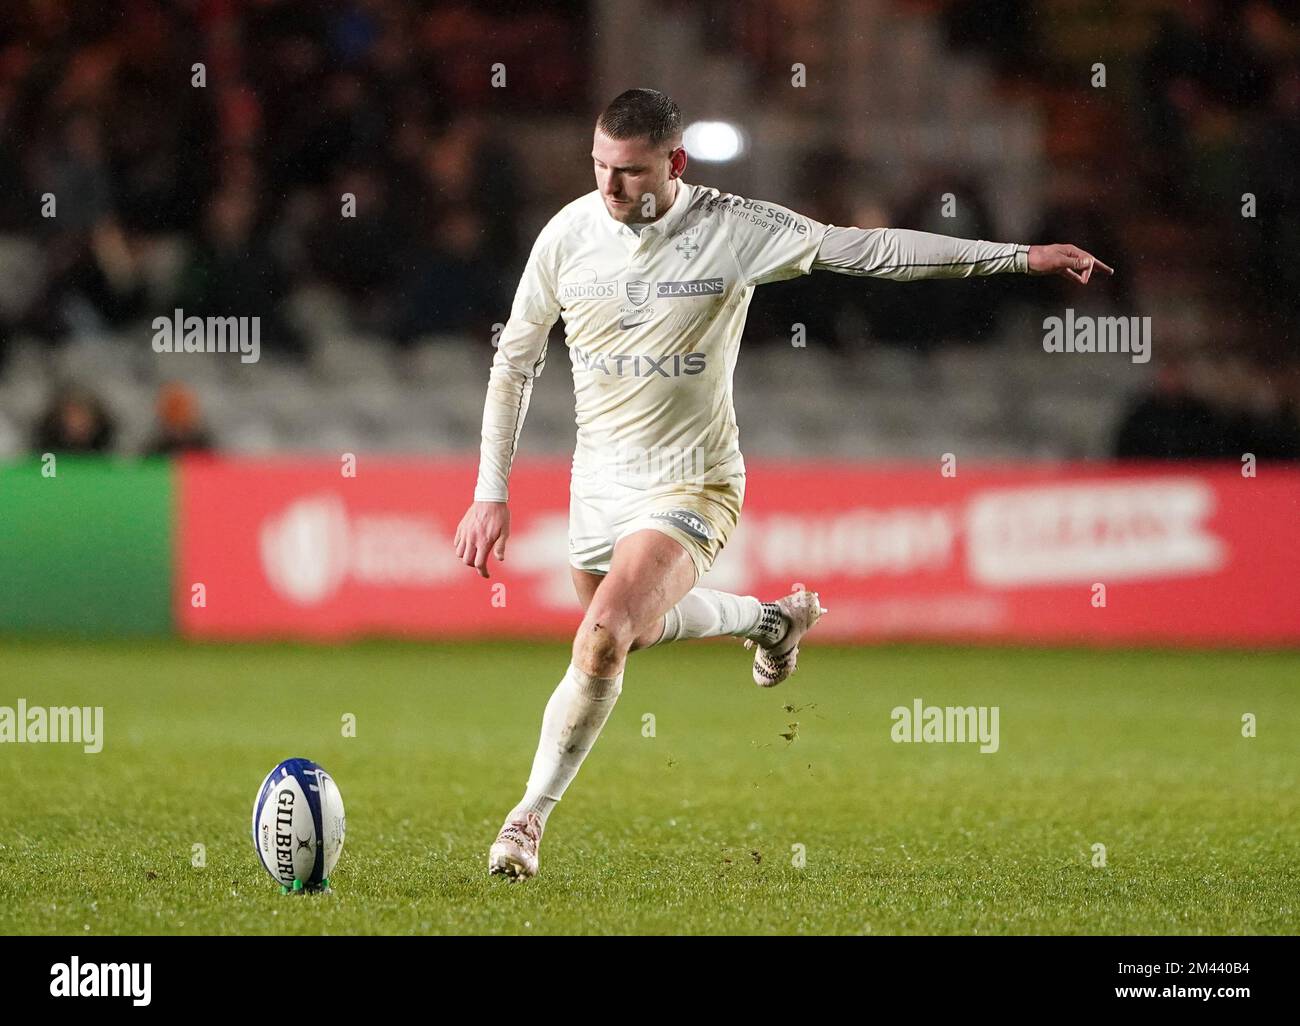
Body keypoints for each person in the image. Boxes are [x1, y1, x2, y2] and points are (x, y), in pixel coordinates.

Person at [453, 88, 1111, 880]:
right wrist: (492, 489)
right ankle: (770, 622)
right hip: (596, 487)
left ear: (676, 164)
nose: (610, 188)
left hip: (693, 483)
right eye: (599, 167)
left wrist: (1017, 257)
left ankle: (526, 820)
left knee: (599, 638)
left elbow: (866, 250)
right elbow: (515, 360)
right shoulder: (568, 236)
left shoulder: (731, 228)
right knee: (630, 630)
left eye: (629, 172)